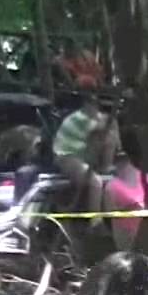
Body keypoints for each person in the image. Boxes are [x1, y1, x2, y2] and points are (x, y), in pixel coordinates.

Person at [52, 94, 116, 225]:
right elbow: (100, 134)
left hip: (84, 157)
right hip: (66, 156)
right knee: (95, 182)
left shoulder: (99, 119)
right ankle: (96, 223)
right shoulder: (80, 118)